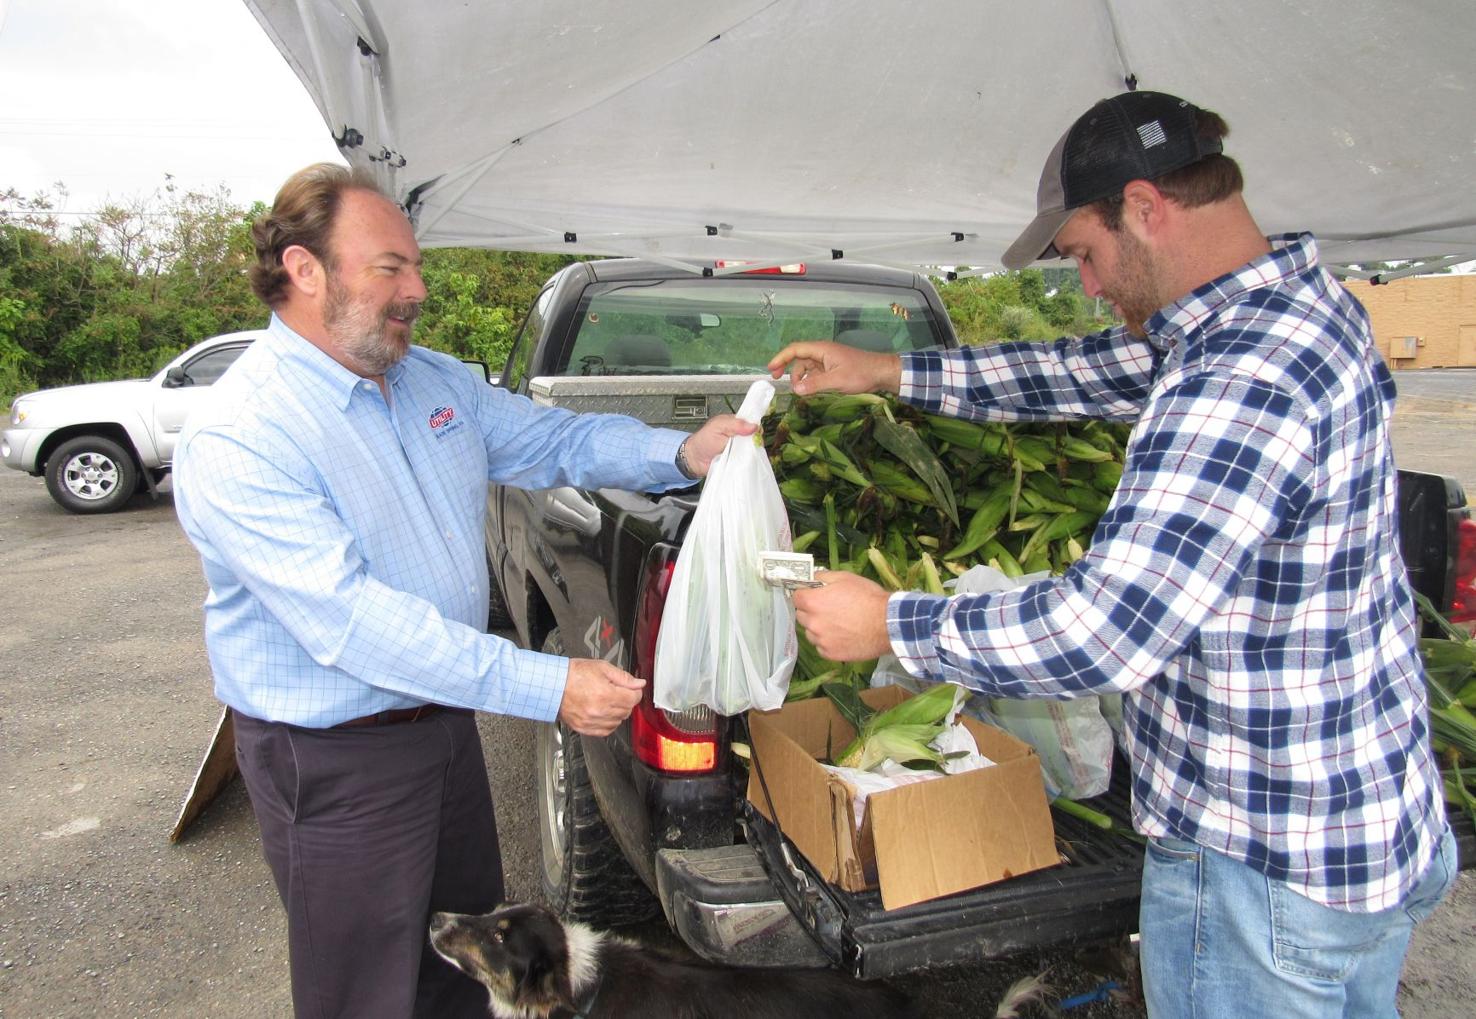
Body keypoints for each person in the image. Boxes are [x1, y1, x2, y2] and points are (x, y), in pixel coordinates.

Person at [768, 91, 1455, 1018]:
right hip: (1363, 825)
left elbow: (1105, 630)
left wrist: (893, 621)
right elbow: (1077, 371)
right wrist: (886, 370)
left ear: (1144, 206)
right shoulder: (1290, 309)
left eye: (1084, 253)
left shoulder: (1237, 374)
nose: (1087, 284)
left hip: (1263, 867)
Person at [172, 163, 753, 1019]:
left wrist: (679, 454)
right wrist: (548, 682)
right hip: (334, 755)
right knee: (364, 989)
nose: (417, 289)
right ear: (304, 270)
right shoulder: (242, 434)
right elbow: (352, 624)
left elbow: (554, 437)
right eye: (389, 269)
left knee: (462, 969)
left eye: (415, 265)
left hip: (442, 726)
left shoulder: (433, 382)